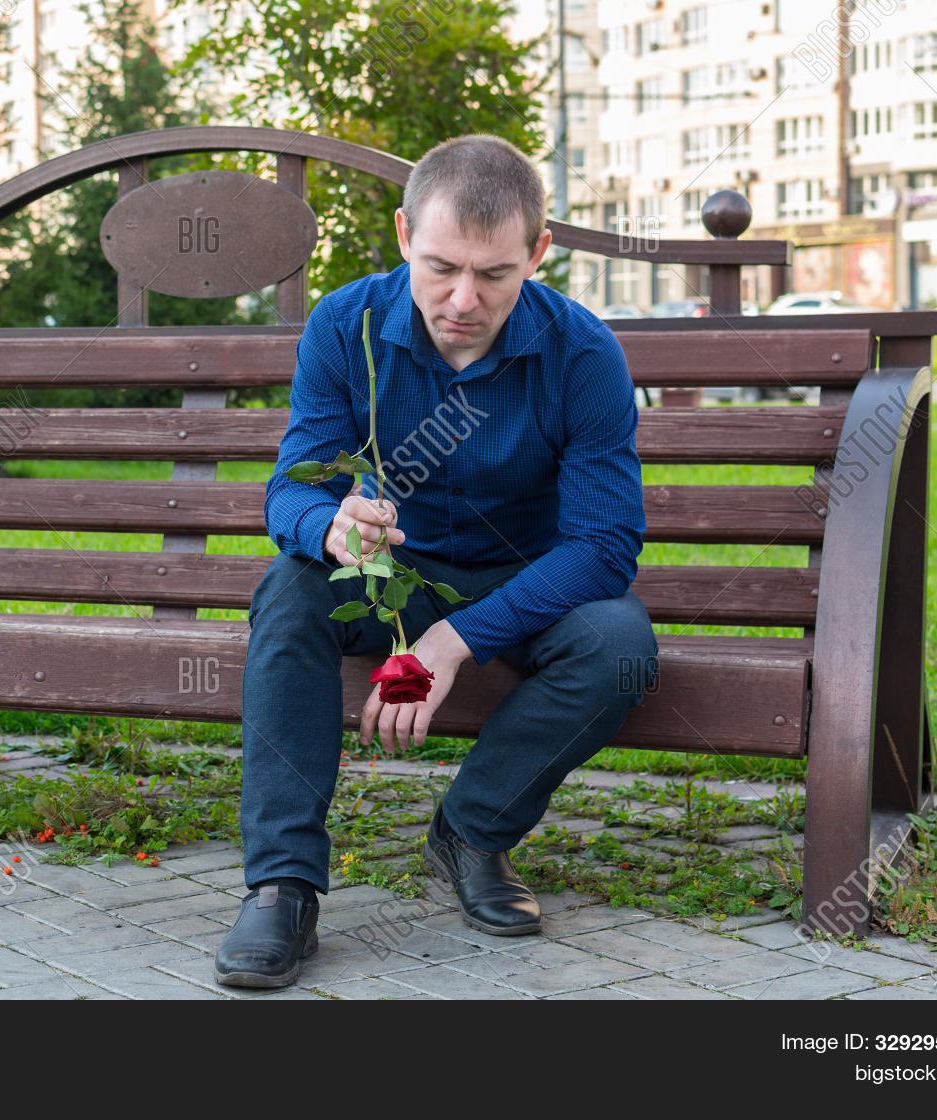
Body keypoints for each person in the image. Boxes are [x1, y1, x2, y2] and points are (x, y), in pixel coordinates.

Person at [213, 134, 659, 989]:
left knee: (621, 647)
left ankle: (471, 831)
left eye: (494, 274)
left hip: (525, 591)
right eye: (440, 266)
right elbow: (290, 492)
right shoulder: (346, 326)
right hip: (392, 582)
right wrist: (332, 529)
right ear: (402, 234)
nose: (463, 299)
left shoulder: (584, 352)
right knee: (290, 590)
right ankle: (283, 884)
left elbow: (604, 548)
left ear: (538, 252)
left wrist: (453, 642)